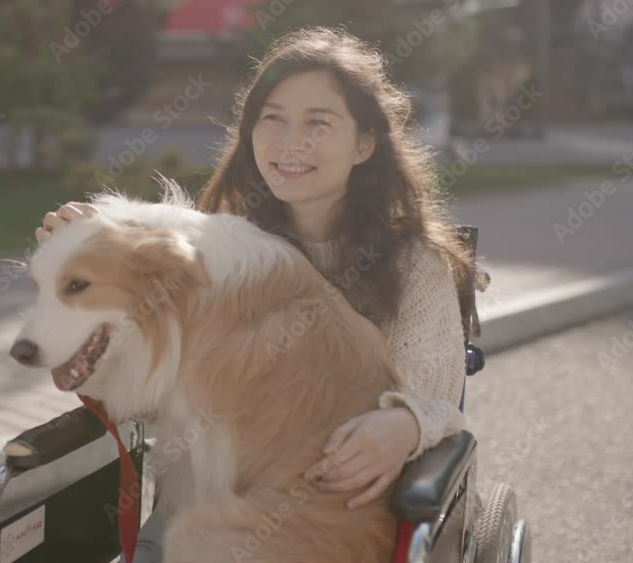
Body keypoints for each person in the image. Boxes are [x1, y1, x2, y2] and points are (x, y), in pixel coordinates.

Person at [37, 26, 475, 563]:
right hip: (203, 496)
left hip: (332, 510)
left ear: (364, 143)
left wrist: (407, 423)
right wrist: (88, 266)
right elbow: (146, 392)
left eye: (319, 122)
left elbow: (434, 394)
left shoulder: (414, 265)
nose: (290, 142)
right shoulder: (220, 252)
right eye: (273, 119)